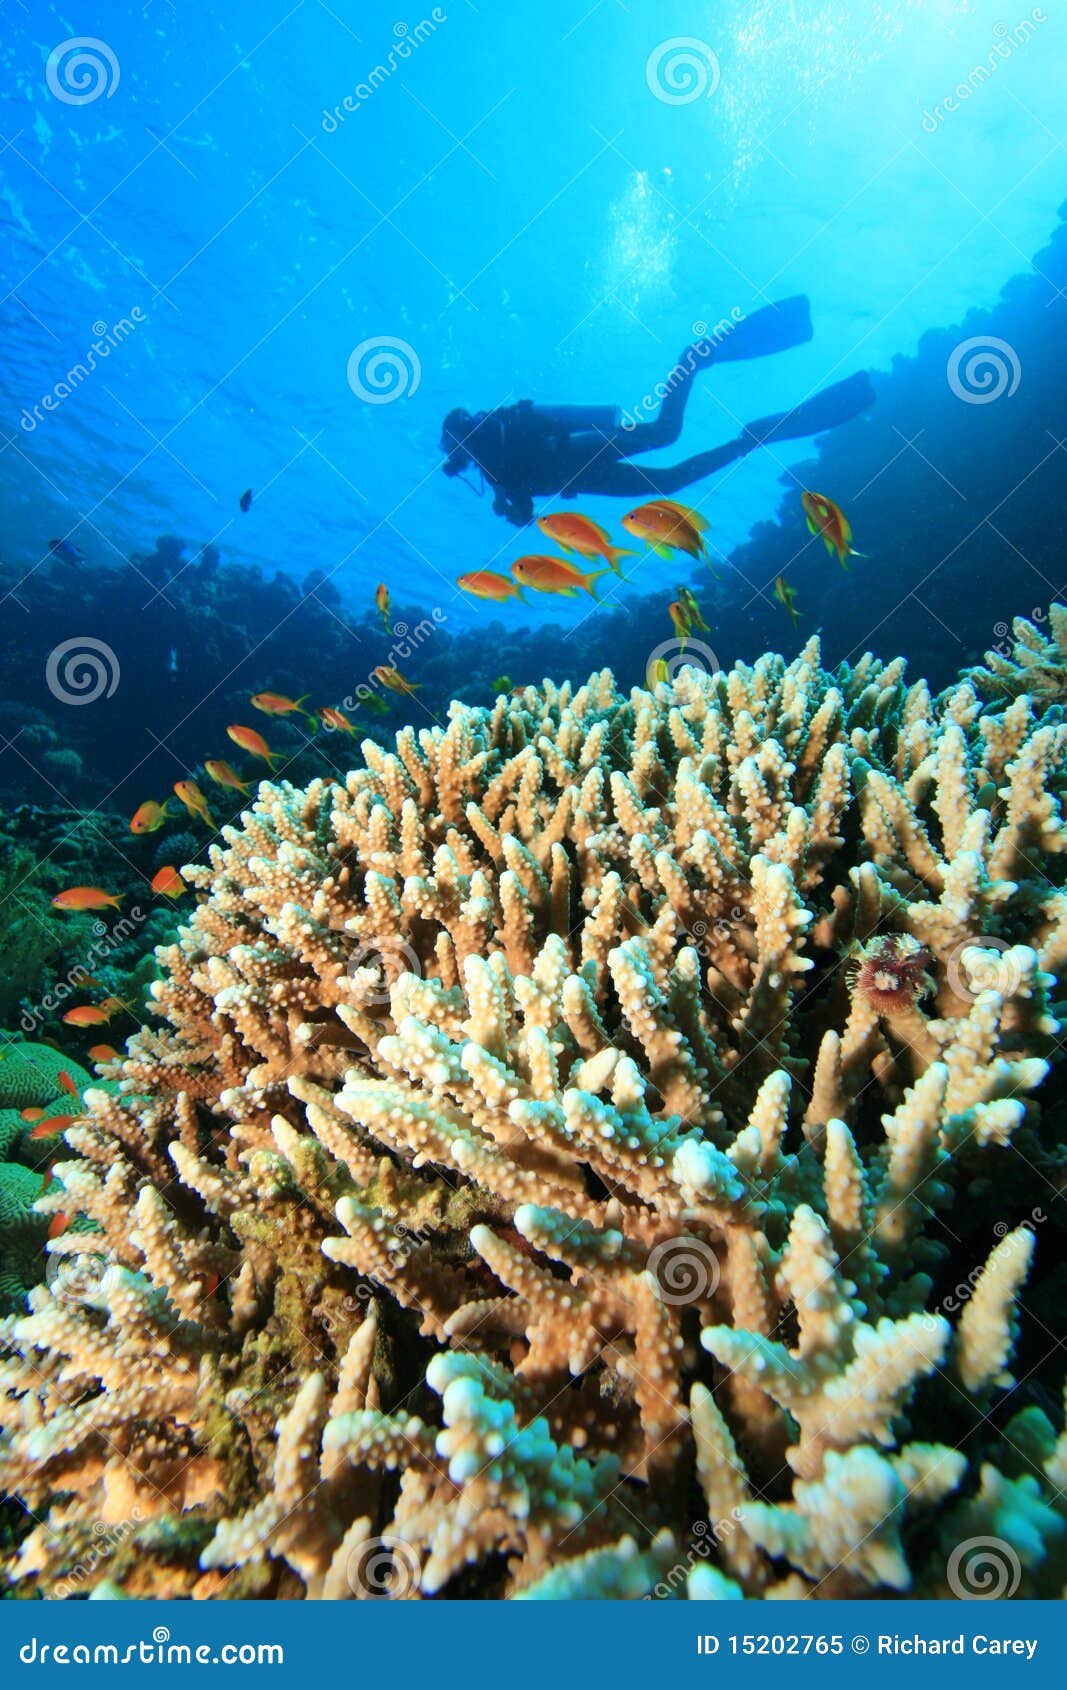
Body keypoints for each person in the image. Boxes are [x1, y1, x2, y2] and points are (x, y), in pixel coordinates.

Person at [439, 296, 874, 527]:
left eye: (453, 448)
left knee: (666, 447)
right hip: (582, 468)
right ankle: (741, 432)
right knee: (668, 470)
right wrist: (508, 504)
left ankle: (696, 368)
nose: (456, 457)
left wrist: (506, 507)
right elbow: (523, 504)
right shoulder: (490, 453)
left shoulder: (489, 452)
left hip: (580, 453)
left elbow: (521, 508)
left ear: (458, 439)